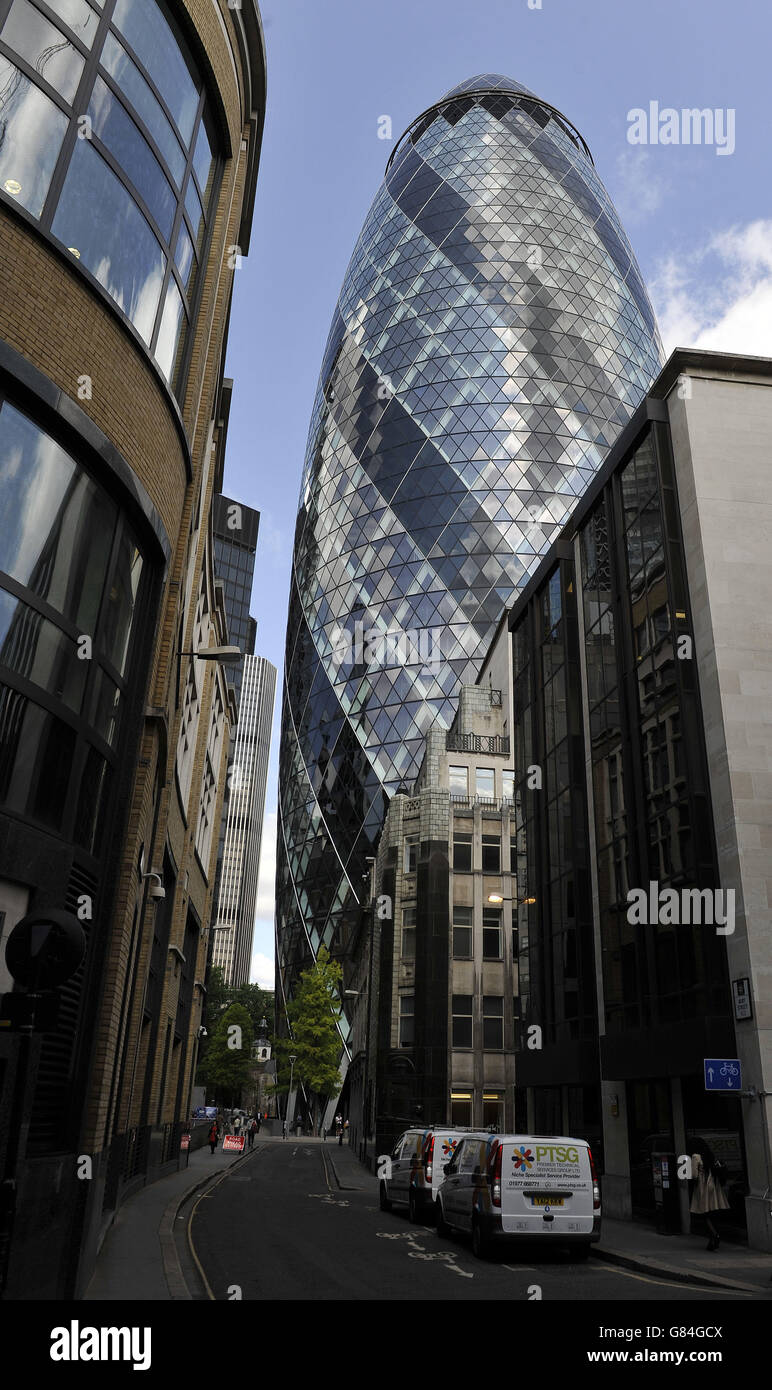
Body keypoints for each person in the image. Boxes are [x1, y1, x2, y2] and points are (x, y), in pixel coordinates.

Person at [690, 1137, 729, 1249]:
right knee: (712, 1212)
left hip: (703, 1186)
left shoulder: (695, 1156)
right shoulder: (710, 1155)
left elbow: (694, 1175)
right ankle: (712, 1238)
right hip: (713, 1185)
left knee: (704, 1212)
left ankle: (714, 1235)